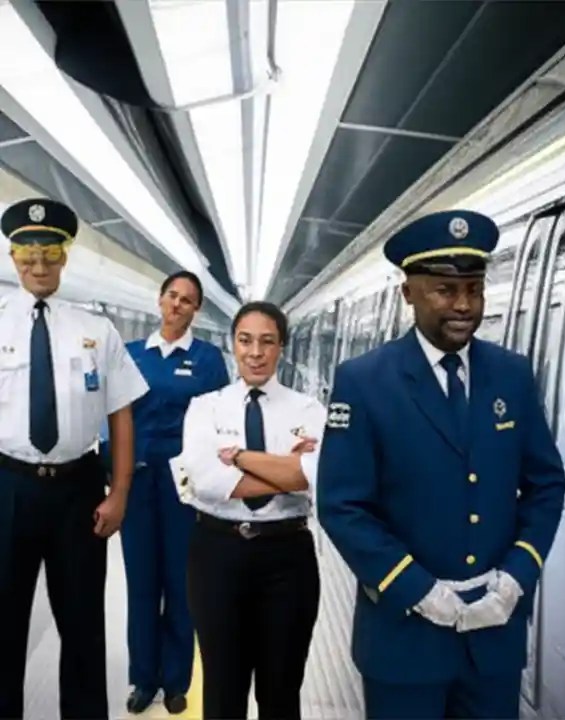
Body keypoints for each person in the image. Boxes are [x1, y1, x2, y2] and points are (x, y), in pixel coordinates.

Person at [316, 209, 565, 719]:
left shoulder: (512, 375)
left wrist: (518, 576)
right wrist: (418, 590)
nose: (464, 306)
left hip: (494, 639)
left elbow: (545, 485)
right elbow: (342, 505)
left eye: (474, 289)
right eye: (444, 290)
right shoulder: (364, 381)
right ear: (408, 292)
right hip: (404, 639)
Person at [0, 198, 149, 718]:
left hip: (78, 489)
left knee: (84, 626)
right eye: (27, 256)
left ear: (65, 256)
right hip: (7, 485)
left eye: (50, 254)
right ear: (14, 257)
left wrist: (121, 494)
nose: (39, 267)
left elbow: (120, 416)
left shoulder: (97, 331)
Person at [176, 301, 326, 719]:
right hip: (216, 555)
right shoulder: (205, 407)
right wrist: (287, 468)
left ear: (282, 348)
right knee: (223, 690)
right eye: (245, 341)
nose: (255, 352)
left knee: (281, 689)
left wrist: (239, 457)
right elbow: (204, 480)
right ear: (233, 345)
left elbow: (318, 476)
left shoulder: (309, 410)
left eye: (266, 342)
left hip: (287, 557)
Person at [121, 270, 230, 714]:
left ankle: (176, 680)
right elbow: (115, 416)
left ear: (196, 310)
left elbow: (221, 422)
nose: (178, 304)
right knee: (141, 584)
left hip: (185, 489)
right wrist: (115, 469)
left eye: (188, 300)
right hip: (137, 484)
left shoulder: (208, 360)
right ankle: (143, 679)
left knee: (181, 585)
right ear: (159, 300)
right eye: (172, 295)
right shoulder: (129, 355)